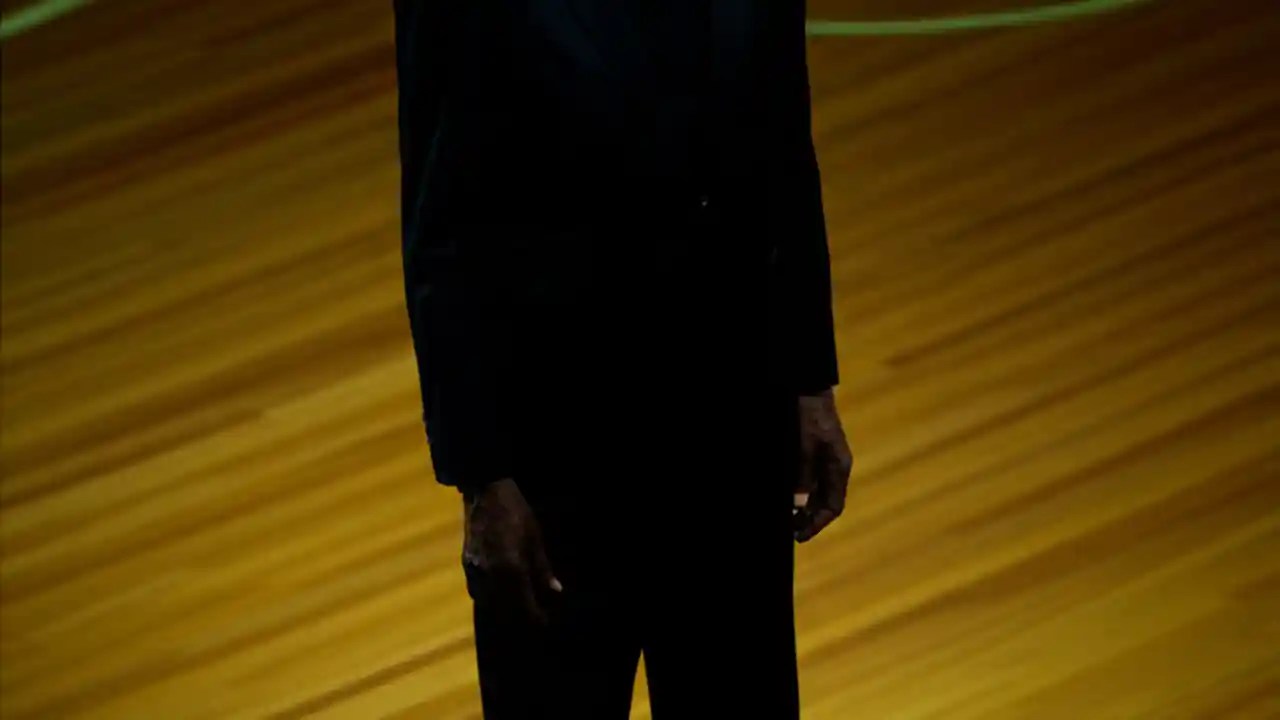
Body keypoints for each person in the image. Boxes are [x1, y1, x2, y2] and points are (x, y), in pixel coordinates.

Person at [393, 1, 852, 717]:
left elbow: (785, 144)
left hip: (730, 426)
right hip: (558, 458)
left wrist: (809, 380)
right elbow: (442, 228)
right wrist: (481, 474)